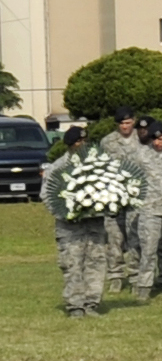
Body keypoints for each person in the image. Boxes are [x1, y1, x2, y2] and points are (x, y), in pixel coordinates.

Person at [41, 124, 111, 317]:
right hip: (70, 228)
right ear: (70, 144)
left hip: (94, 224)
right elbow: (47, 196)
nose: (82, 144)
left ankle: (91, 303)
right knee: (72, 265)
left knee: (96, 263)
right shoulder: (57, 168)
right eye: (78, 141)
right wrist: (66, 212)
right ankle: (75, 306)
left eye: (84, 141)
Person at [127, 121, 162, 303]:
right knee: (148, 250)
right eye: (154, 139)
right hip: (150, 209)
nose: (157, 142)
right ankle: (144, 287)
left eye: (160, 138)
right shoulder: (141, 155)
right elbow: (129, 178)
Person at [97, 108, 144, 292]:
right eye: (122, 124)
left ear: (134, 121)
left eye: (128, 123)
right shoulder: (107, 141)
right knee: (114, 238)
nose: (125, 127)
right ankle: (115, 276)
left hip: (135, 196)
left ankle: (135, 276)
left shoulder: (141, 139)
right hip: (113, 197)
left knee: (134, 237)